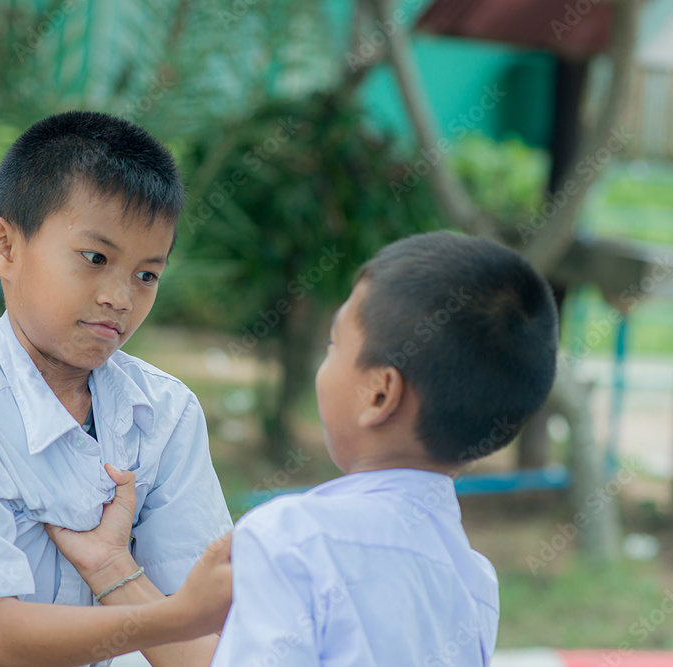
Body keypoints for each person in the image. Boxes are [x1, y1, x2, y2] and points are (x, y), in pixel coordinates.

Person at [0, 110, 233, 667]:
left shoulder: (165, 413)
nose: (120, 297)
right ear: (5, 247)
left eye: (147, 274)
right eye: (95, 258)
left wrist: (114, 570)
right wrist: (173, 617)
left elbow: (200, 655)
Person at [209, 231, 559, 666]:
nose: (325, 362)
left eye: (334, 344)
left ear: (378, 393)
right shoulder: (474, 583)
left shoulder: (291, 538)